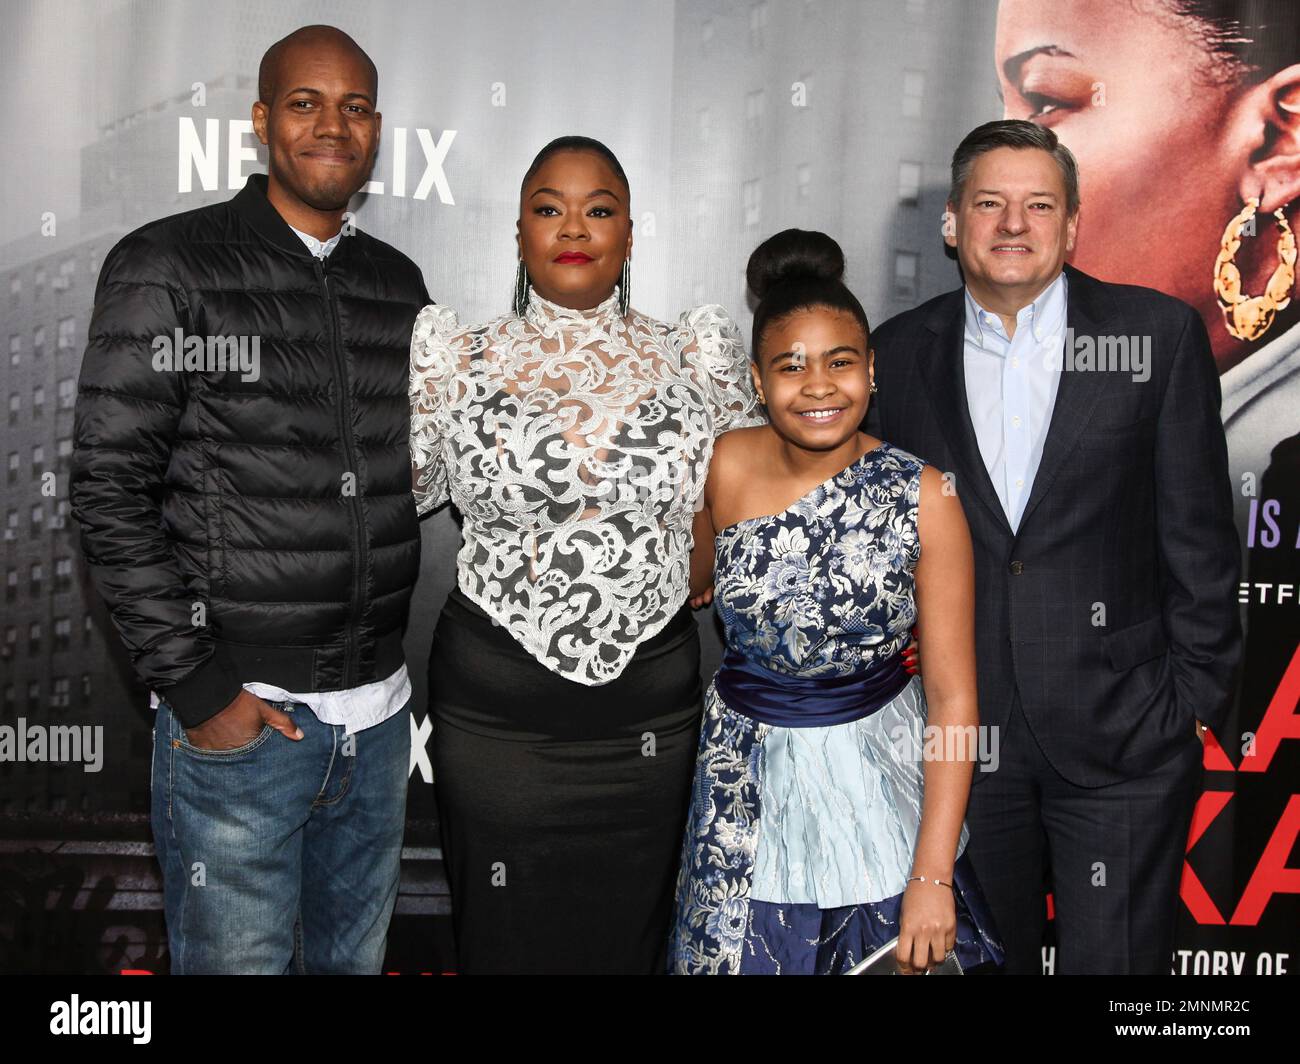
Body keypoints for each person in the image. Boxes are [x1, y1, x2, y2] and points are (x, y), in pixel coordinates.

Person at [70, 26, 430, 974]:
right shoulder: (170, 265)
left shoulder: (398, 287)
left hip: (381, 723)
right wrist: (198, 691)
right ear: (262, 121)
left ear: (378, 130)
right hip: (245, 726)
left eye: (354, 107)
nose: (331, 125)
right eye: (305, 103)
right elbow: (109, 490)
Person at [867, 120, 1242, 973]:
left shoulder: (1154, 339)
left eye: (1039, 205)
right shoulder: (898, 356)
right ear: (953, 223)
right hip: (963, 749)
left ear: (1073, 225)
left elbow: (1201, 541)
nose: (1013, 224)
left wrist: (1186, 703)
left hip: (1124, 742)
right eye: (989, 203)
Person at [408, 135, 764, 974]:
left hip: (646, 725)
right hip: (496, 723)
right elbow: (412, 491)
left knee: (631, 945)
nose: (575, 227)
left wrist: (700, 549)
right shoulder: (456, 358)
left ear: (631, 234)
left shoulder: (695, 354)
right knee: (502, 943)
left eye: (599, 209)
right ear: (520, 233)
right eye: (549, 208)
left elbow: (746, 491)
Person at [669, 229, 1005, 975]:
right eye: (791, 366)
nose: (817, 386)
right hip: (741, 788)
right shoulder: (722, 462)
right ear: (758, 381)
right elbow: (691, 580)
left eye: (840, 362)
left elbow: (952, 702)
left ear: (872, 369)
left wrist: (933, 874)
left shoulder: (924, 494)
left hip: (879, 794)